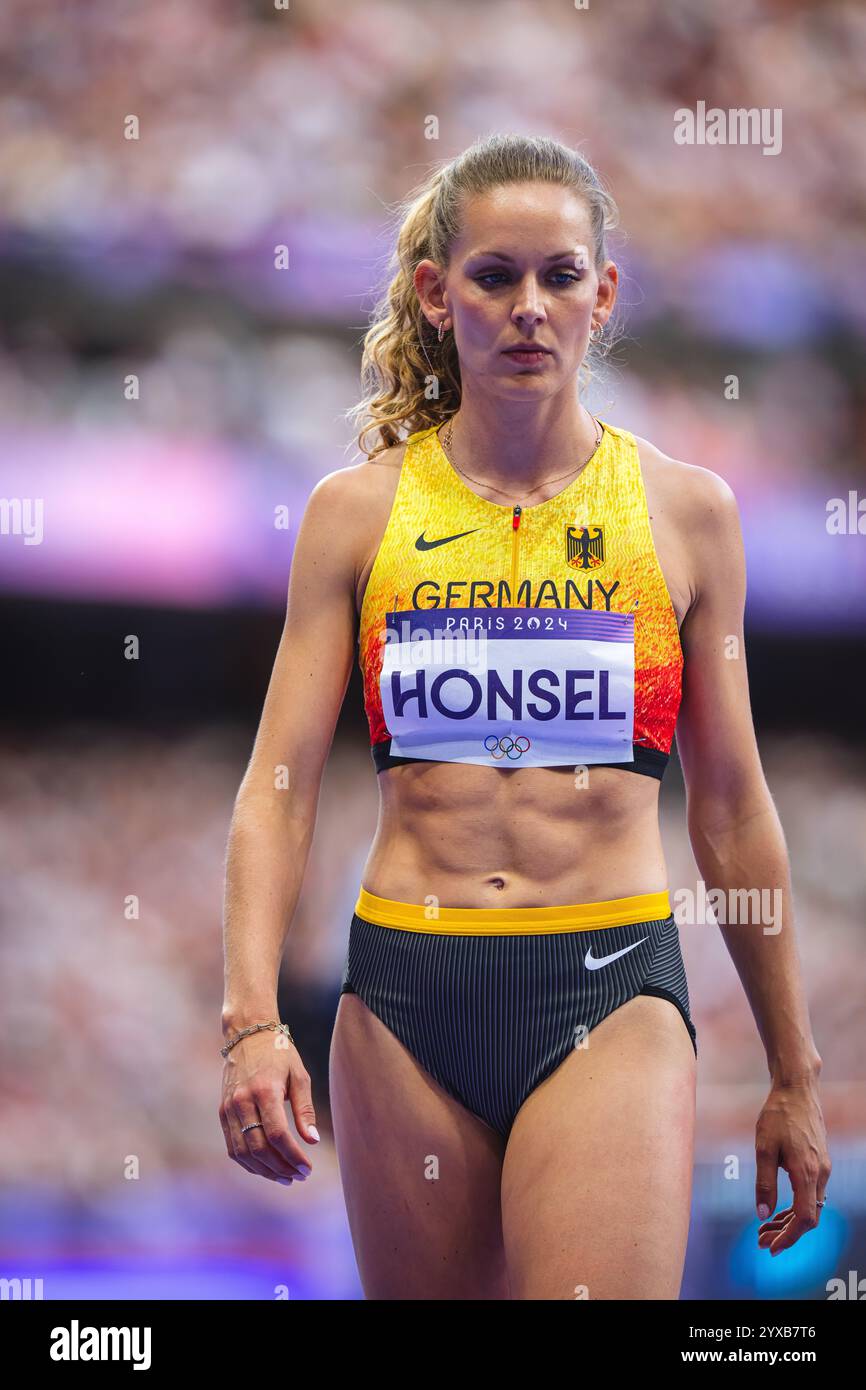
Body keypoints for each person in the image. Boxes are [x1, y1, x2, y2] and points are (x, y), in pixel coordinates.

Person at [219, 134, 830, 1300]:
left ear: (602, 293)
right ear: (435, 294)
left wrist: (793, 1070)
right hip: (404, 996)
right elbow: (275, 788)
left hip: (605, 988)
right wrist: (250, 1019)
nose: (527, 308)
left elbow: (734, 806)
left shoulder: (686, 514)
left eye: (558, 276)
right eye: (493, 276)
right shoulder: (355, 516)